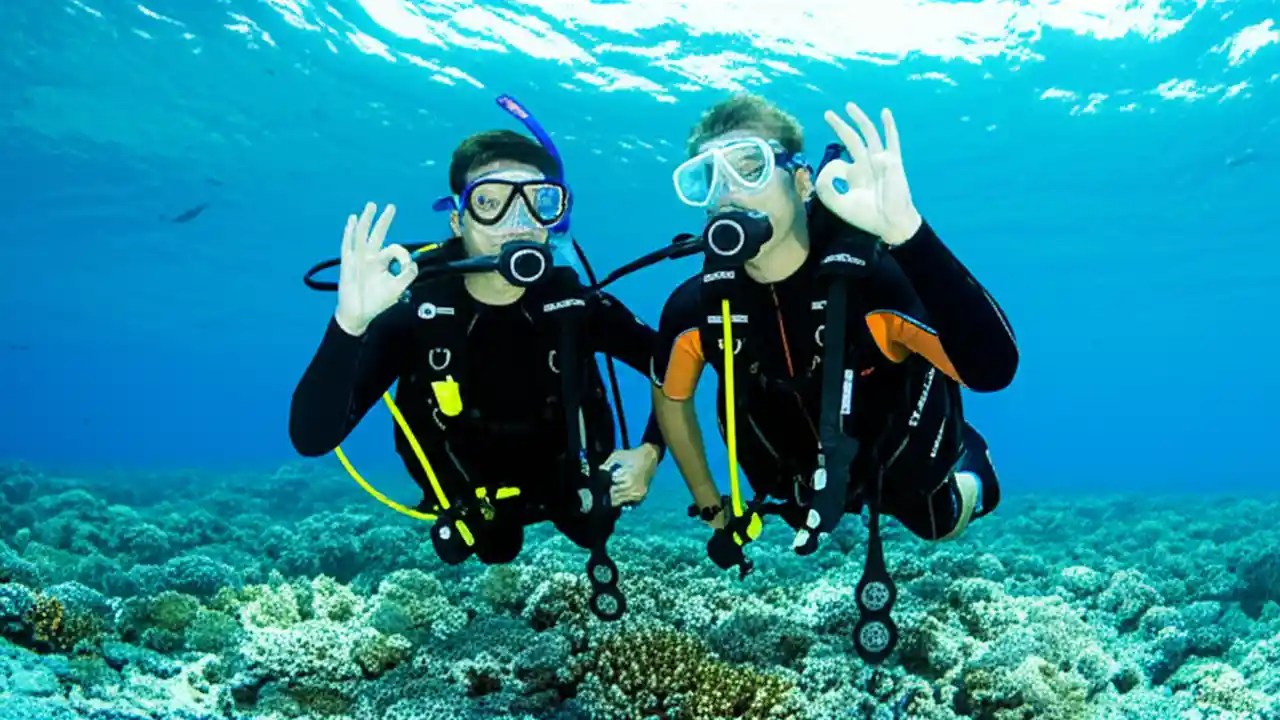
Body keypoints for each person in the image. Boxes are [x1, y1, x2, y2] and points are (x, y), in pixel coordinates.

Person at [648, 93, 1019, 661]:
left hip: (892, 455)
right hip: (798, 473)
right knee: (800, 511)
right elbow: (671, 398)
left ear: (801, 182)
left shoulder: (874, 280)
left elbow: (992, 369)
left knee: (941, 523)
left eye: (749, 167)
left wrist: (909, 233)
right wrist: (709, 503)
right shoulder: (696, 308)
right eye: (707, 178)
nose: (727, 193)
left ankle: (973, 462)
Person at [289, 100, 665, 619]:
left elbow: (675, 364)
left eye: (539, 201)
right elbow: (312, 438)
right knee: (494, 549)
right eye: (490, 202)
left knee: (592, 528)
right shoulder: (416, 313)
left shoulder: (577, 306)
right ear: (458, 218)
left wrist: (650, 451)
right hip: (470, 496)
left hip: (570, 484)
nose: (518, 222)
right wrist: (348, 324)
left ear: (556, 217)